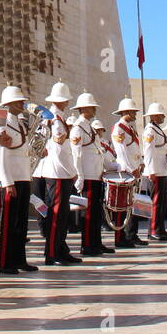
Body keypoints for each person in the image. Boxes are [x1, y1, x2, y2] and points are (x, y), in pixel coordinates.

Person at [0, 85, 40, 274]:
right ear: (9, 103)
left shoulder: (20, 122)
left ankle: (20, 259)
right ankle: (5, 262)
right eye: (19, 101)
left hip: (23, 176)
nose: (23, 103)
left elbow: (23, 148)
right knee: (9, 223)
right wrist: (6, 180)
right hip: (11, 177)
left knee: (21, 222)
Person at [36, 81, 77, 264]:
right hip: (58, 171)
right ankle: (53, 252)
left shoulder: (53, 117)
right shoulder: (54, 119)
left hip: (60, 170)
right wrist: (70, 170)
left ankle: (60, 248)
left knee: (61, 214)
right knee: (57, 212)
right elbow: (59, 147)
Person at [71, 93, 110, 255]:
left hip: (96, 175)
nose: (94, 109)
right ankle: (87, 244)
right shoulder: (78, 128)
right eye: (92, 106)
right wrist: (79, 176)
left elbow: (98, 152)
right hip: (87, 176)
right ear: (84, 109)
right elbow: (76, 154)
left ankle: (96, 242)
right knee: (88, 213)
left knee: (95, 212)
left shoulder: (88, 127)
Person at [110, 97, 145, 249]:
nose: (135, 113)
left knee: (132, 204)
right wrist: (132, 169)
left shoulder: (130, 128)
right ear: (125, 112)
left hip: (134, 169)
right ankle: (121, 237)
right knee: (123, 206)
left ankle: (131, 234)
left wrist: (140, 163)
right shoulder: (119, 128)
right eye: (132, 111)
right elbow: (122, 151)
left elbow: (134, 150)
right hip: (126, 171)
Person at [141, 103, 167, 240]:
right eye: (160, 114)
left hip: (161, 169)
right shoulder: (150, 130)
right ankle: (153, 230)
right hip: (155, 170)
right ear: (153, 116)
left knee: (162, 202)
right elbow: (148, 150)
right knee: (156, 202)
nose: (163, 117)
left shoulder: (157, 129)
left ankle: (160, 228)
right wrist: (151, 170)